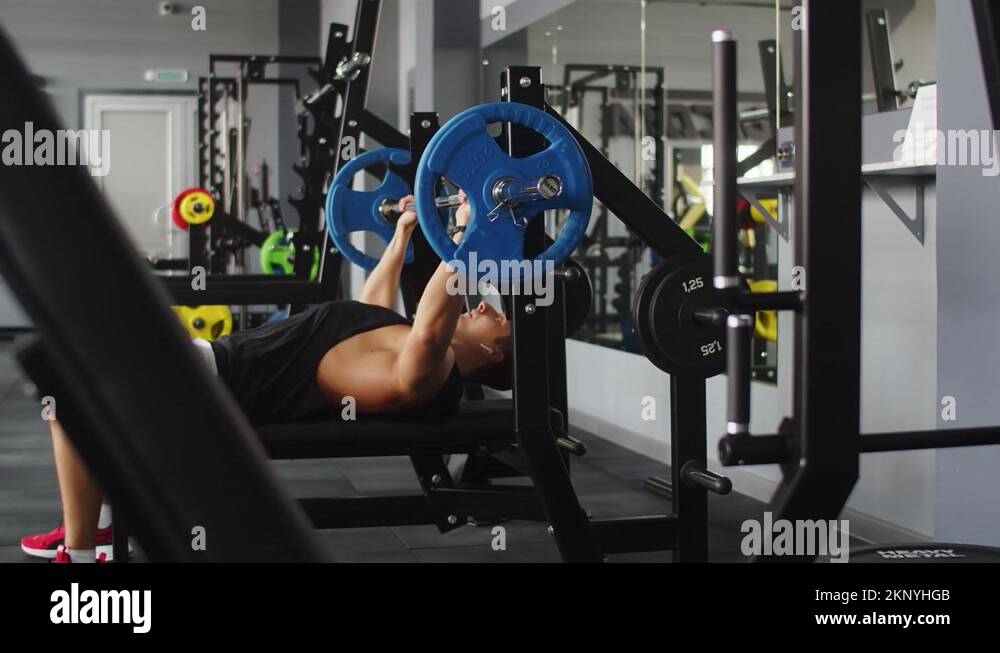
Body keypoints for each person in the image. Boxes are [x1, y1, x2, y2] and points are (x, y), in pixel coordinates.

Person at [20, 194, 513, 562]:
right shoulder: (397, 343)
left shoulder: (428, 376)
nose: (489, 304)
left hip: (208, 386)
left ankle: (82, 554)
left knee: (69, 379)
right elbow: (371, 309)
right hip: (206, 364)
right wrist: (403, 234)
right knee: (79, 350)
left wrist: (470, 240)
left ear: (493, 352)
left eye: (501, 316)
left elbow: (428, 331)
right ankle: (100, 527)